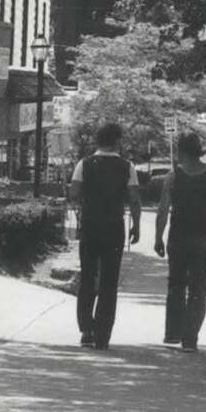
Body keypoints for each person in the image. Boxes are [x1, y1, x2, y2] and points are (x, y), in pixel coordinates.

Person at [154, 131, 206, 352]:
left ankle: (172, 333)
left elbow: (162, 210)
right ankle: (190, 339)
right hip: (205, 238)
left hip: (178, 237)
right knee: (198, 289)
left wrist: (158, 237)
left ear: (181, 151)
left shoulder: (174, 176)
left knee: (176, 284)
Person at [69, 123, 141, 349]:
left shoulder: (84, 164)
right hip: (114, 228)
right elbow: (135, 199)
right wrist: (136, 225)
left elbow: (73, 193)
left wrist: (84, 203)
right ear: (117, 141)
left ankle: (86, 329)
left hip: (90, 226)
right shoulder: (127, 167)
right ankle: (103, 334)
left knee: (88, 277)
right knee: (109, 281)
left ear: (98, 141)